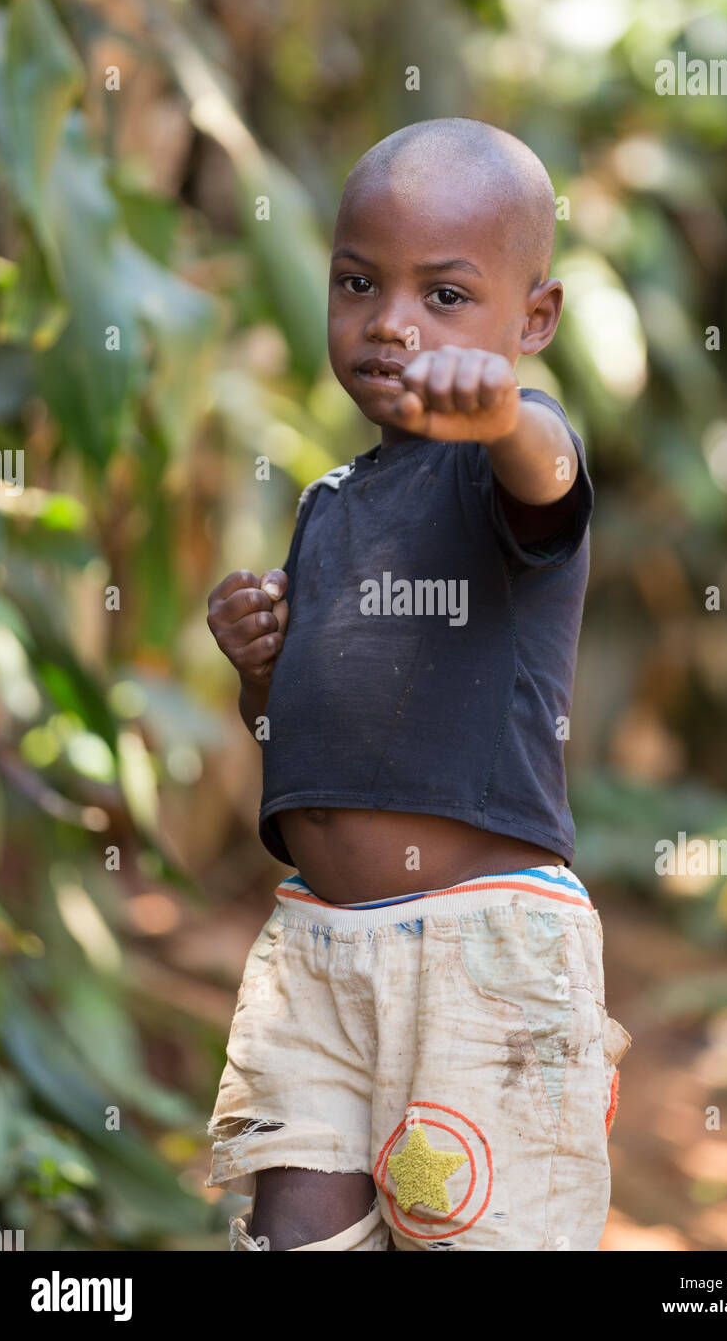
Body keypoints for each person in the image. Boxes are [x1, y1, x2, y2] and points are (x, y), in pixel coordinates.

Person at [205, 117, 631, 1251]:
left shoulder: (511, 465)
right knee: (290, 1213)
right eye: (357, 282)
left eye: (444, 295)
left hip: (479, 953)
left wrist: (498, 409)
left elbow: (545, 466)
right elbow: (298, 738)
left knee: (479, 1230)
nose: (390, 322)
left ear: (529, 319)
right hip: (318, 947)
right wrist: (259, 671)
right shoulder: (330, 501)